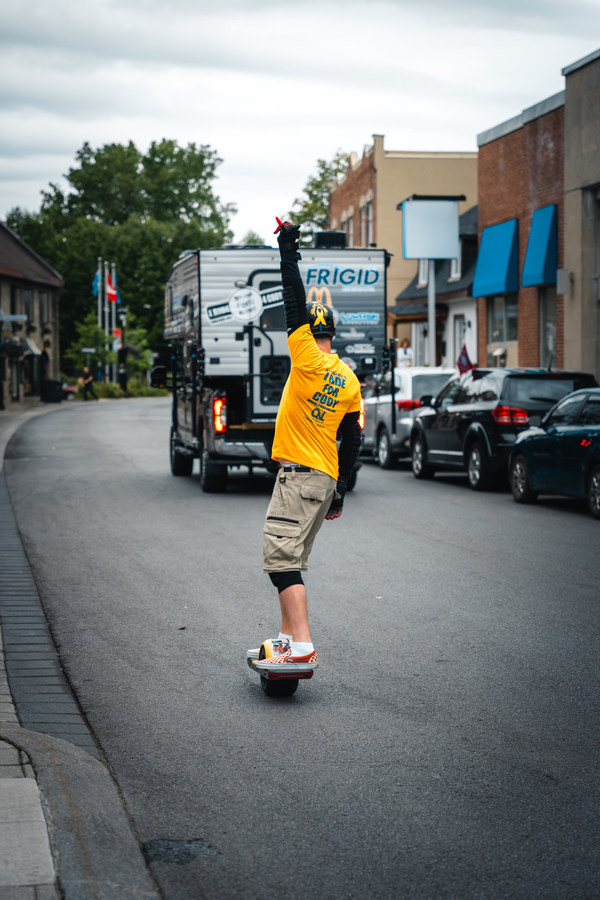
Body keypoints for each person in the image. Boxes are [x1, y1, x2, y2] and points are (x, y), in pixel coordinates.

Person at [257, 219, 363, 669]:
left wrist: (288, 250)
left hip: (299, 477)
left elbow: (292, 298)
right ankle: (286, 638)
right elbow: (353, 438)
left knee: (280, 561)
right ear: (332, 333)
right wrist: (340, 491)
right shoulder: (349, 379)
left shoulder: (305, 358)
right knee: (293, 560)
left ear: (307, 333)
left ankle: (301, 644)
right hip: (322, 481)